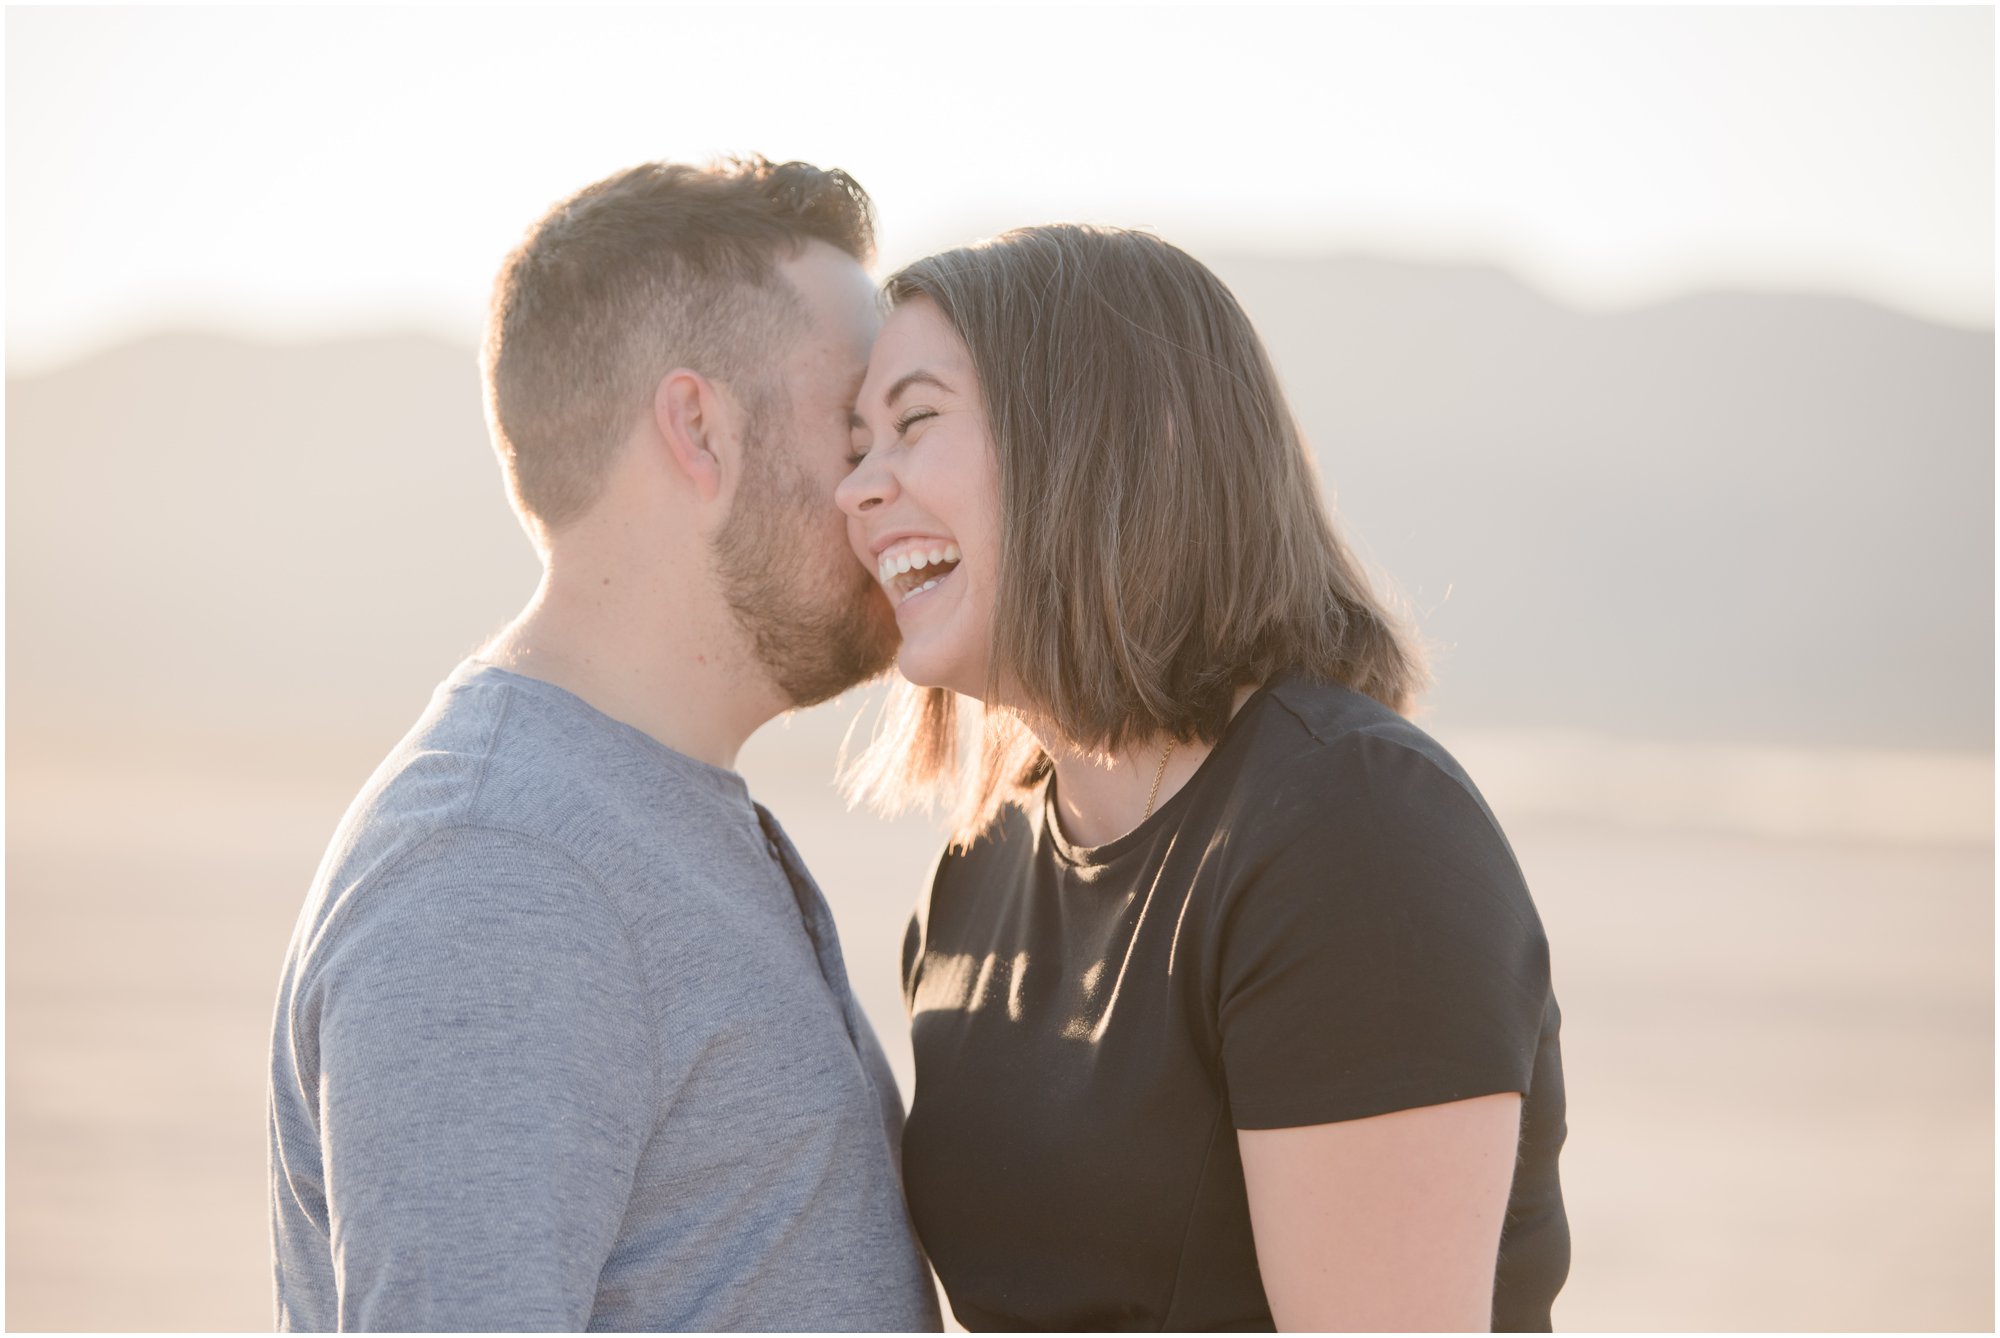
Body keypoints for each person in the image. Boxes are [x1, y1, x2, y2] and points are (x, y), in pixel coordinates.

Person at [836, 224, 1569, 1332]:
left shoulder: (1354, 830)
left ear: (1114, 445)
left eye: (915, 421)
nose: (856, 489)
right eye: (855, 445)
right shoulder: (979, 870)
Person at [266, 157, 941, 1332]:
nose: (884, 486)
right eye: (852, 428)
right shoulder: (499, 874)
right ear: (698, 428)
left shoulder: (630, 812)